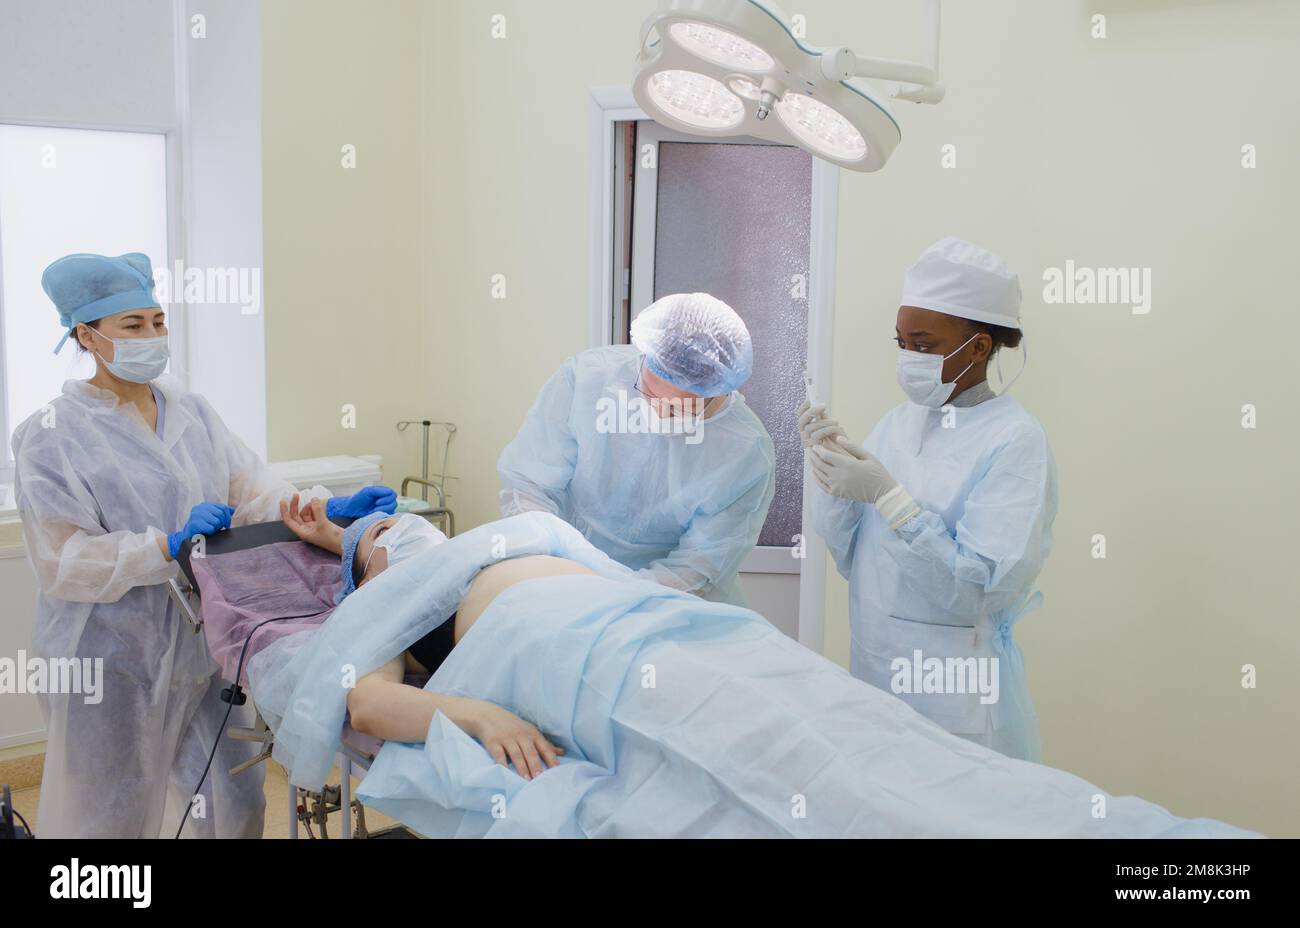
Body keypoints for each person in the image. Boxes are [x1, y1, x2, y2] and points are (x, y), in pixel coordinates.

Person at [11, 252, 396, 838]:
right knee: (112, 811)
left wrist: (325, 507)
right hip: (109, 654)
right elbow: (64, 562)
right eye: (133, 326)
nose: (152, 336)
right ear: (86, 335)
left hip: (207, 639)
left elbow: (253, 493)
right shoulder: (53, 435)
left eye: (158, 321)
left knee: (230, 800)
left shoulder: (192, 412)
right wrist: (165, 545)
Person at [799, 238, 1058, 761]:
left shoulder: (1014, 440)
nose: (906, 358)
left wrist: (891, 500)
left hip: (954, 696)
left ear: (980, 347)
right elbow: (857, 561)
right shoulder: (899, 423)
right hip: (875, 670)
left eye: (923, 344)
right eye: (900, 342)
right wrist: (833, 476)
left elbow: (978, 590)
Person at [497, 293, 775, 606]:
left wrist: (618, 594)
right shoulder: (588, 379)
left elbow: (699, 565)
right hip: (564, 575)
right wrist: (557, 560)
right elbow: (530, 486)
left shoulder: (745, 451)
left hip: (670, 603)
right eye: (648, 393)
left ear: (717, 392)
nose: (656, 415)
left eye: (676, 410)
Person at [280, 496, 570, 779]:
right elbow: (367, 706)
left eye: (410, 522)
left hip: (602, 598)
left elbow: (381, 556)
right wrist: (483, 717)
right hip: (567, 648)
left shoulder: (476, 557)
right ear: (368, 585)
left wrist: (335, 536)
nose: (407, 531)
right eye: (384, 531)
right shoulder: (393, 616)